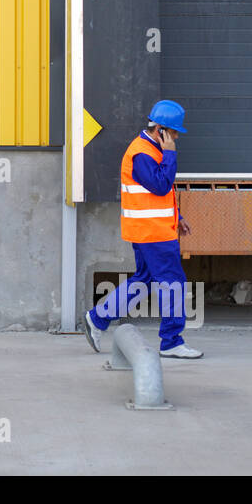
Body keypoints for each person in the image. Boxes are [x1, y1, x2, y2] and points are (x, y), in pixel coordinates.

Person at [83, 100, 203, 358]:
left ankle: (98, 319)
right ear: (160, 129)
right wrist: (170, 153)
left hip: (152, 229)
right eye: (173, 133)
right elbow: (160, 185)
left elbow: (157, 193)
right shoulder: (142, 153)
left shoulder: (149, 149)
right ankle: (171, 341)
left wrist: (177, 216)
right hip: (153, 233)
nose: (176, 138)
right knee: (172, 282)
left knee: (144, 280)